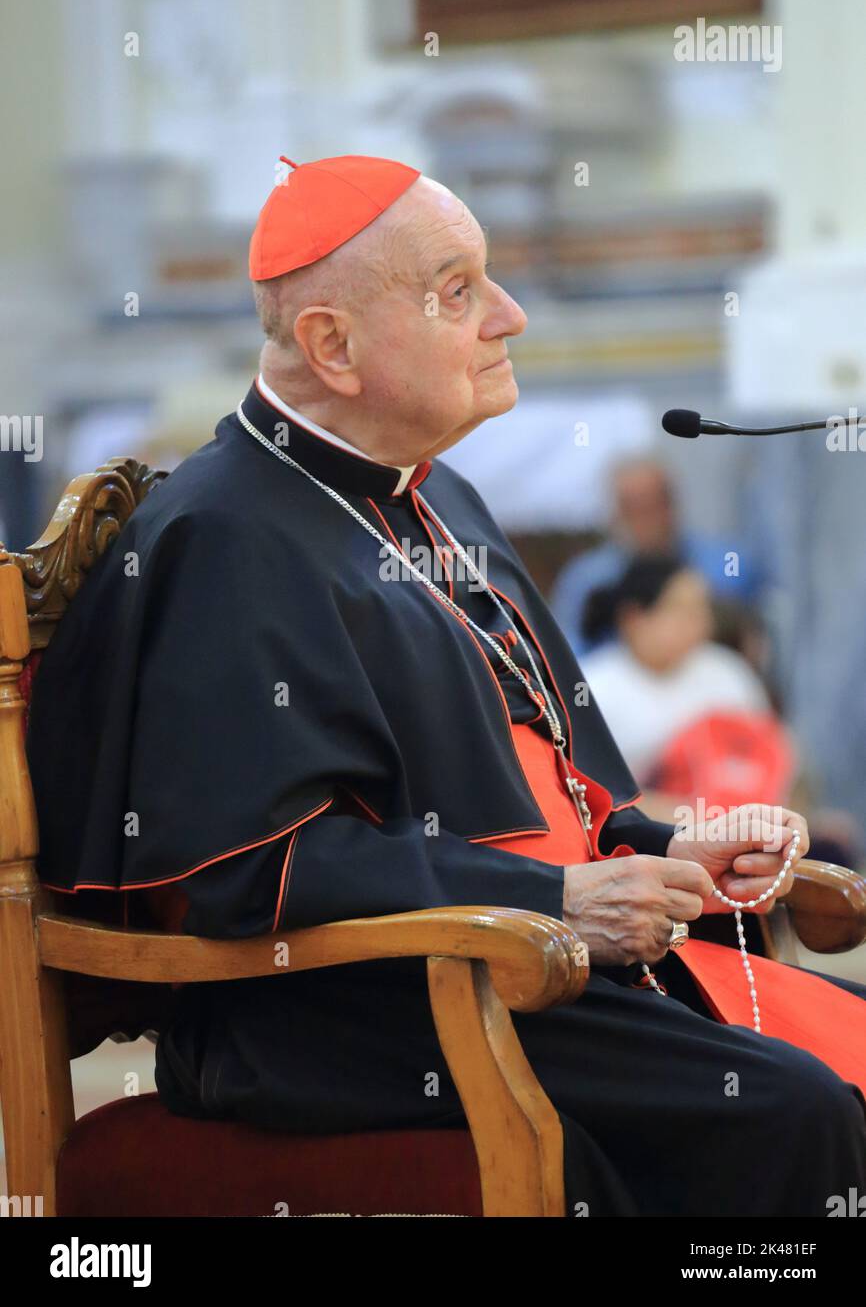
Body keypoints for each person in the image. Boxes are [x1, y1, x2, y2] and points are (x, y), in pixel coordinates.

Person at [27, 155, 866, 1217]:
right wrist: (557, 899)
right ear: (331, 344)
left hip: (518, 959)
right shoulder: (220, 537)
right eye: (457, 290)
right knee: (786, 1110)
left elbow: (536, 787)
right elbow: (257, 874)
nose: (508, 316)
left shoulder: (441, 497)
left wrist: (657, 850)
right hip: (348, 1008)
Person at [549, 454, 764, 660]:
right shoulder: (586, 580)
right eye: (631, 507)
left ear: (672, 503)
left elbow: (754, 642)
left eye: (652, 503)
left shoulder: (726, 566)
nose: (644, 519)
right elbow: (569, 657)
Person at [580, 554, 771, 783]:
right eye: (682, 610)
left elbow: (769, 756)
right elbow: (588, 787)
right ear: (633, 619)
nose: (700, 623)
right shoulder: (591, 686)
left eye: (703, 610)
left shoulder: (728, 672)